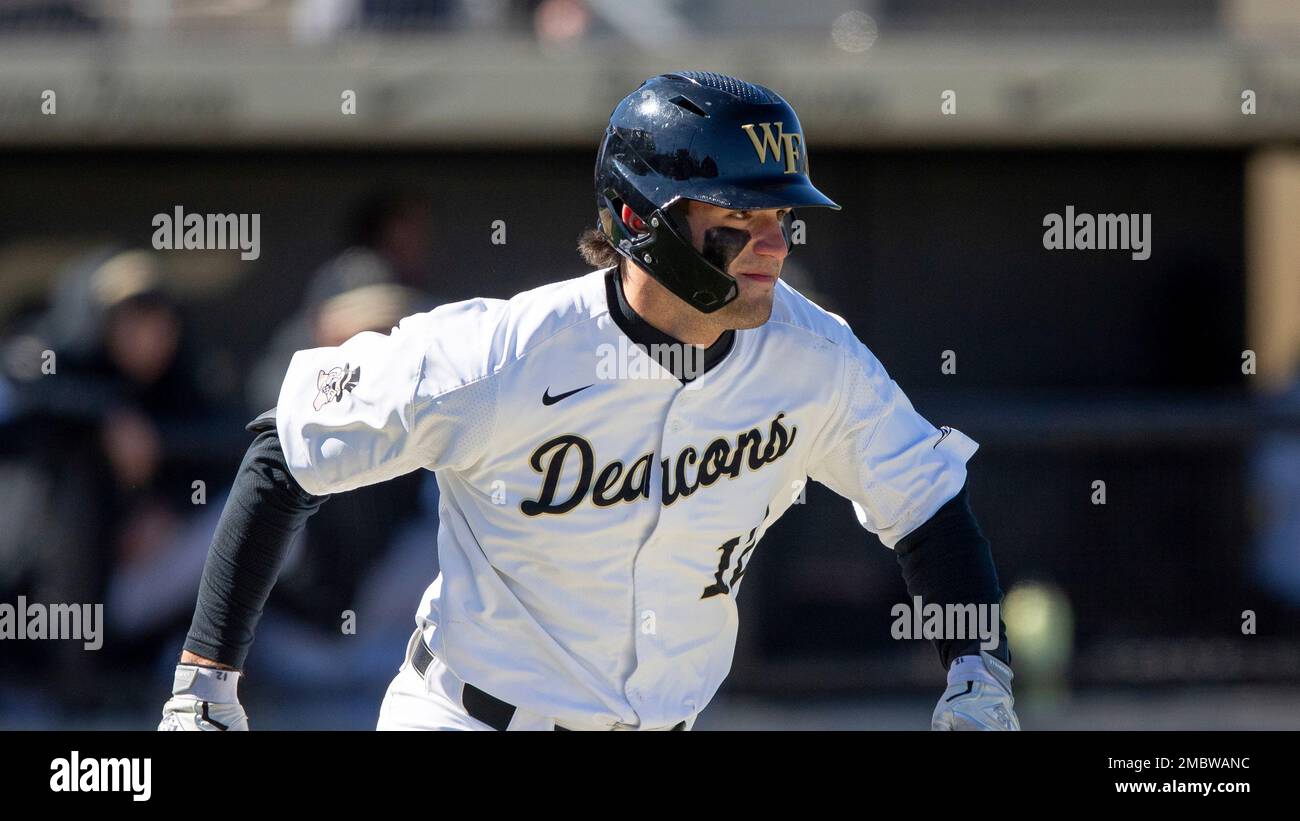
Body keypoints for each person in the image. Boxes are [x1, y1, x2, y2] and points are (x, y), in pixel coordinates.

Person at [159, 71, 1018, 732]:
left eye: (785, 217)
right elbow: (289, 451)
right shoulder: (502, 350)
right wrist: (205, 687)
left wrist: (977, 672)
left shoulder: (815, 356)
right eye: (743, 214)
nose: (775, 243)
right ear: (641, 218)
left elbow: (928, 502)